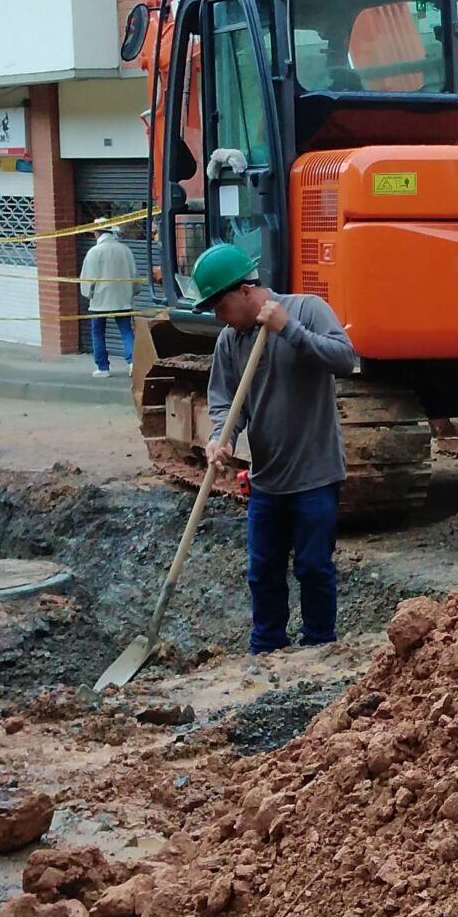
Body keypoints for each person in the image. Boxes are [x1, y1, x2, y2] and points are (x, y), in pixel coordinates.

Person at [194, 242, 356, 654]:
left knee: (313, 567)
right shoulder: (230, 342)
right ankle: (266, 651)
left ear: (245, 291)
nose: (217, 315)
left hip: (315, 475)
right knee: (263, 570)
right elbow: (226, 402)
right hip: (267, 479)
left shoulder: (305, 309)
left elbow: (344, 359)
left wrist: (290, 331)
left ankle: (320, 648)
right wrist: (223, 436)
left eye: (219, 304)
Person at [78, 224, 138, 376]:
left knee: (98, 333)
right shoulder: (125, 250)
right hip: (122, 299)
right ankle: (133, 363)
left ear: (98, 233)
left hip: (99, 301)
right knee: (126, 331)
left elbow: (87, 279)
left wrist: (88, 295)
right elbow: (134, 275)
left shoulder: (94, 252)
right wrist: (133, 292)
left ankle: (103, 367)